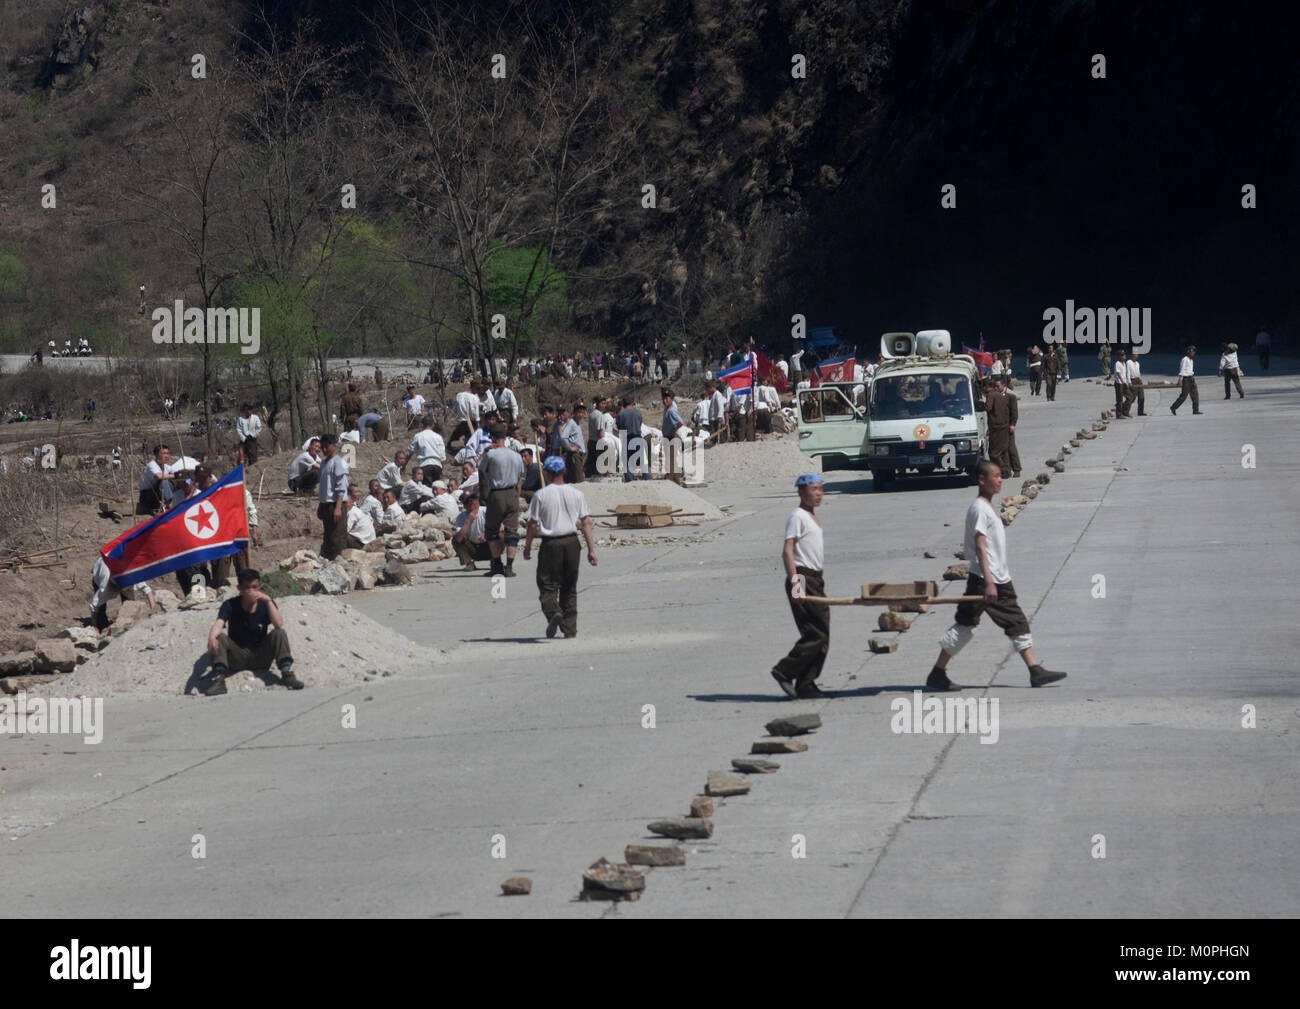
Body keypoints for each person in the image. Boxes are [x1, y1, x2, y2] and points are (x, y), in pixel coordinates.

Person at [927, 461, 1067, 691]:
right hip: (987, 579)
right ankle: (1034, 670)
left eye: (1001, 476)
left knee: (974, 623)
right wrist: (989, 582)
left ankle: (938, 673)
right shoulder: (980, 509)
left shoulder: (986, 506)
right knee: (1002, 621)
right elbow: (980, 546)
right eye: (996, 476)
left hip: (995, 577)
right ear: (982, 480)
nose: (1000, 480)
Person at [522, 456, 597, 638]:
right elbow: (586, 523)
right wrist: (591, 550)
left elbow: (533, 524)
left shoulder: (541, 495)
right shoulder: (577, 494)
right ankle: (570, 629)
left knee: (547, 584)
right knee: (569, 586)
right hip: (572, 543)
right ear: (564, 471)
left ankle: (553, 612)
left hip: (551, 544)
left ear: (546, 473)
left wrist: (527, 546)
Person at [770, 473, 830, 699]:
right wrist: (796, 582)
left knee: (822, 633)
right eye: (814, 489)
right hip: (803, 576)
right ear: (801, 492)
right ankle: (784, 670)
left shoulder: (811, 516)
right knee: (815, 633)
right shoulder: (798, 516)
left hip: (815, 577)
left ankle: (806, 683)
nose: (818, 494)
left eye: (820, 489)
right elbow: (788, 550)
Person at [203, 569, 301, 696]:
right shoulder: (230, 605)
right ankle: (219, 679)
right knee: (219, 637)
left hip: (260, 655)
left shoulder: (265, 604)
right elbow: (219, 623)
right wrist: (212, 636)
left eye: (255, 587)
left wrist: (268, 600)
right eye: (247, 588)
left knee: (279, 633)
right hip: (237, 656)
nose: (251, 591)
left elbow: (278, 624)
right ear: (239, 588)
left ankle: (286, 674)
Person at [480, 427, 524, 577]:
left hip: (496, 494)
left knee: (492, 531)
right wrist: (517, 494)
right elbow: (520, 477)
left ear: (492, 438)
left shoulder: (491, 455)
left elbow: (481, 470)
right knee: (512, 531)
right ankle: (510, 566)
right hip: (512, 493)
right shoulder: (516, 456)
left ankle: (497, 564)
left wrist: (484, 452)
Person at [89, 556, 155, 632]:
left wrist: (152, 612)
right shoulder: (104, 584)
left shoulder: (130, 573)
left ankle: (128, 624)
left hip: (118, 569)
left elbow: (147, 590)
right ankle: (102, 627)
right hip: (101, 572)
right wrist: (94, 626)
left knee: (130, 602)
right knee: (101, 608)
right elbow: (94, 606)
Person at [317, 433, 350, 560]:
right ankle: (328, 561)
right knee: (328, 535)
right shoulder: (324, 464)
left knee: (338, 536)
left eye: (327, 447)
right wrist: (321, 505)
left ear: (334, 446)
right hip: (326, 504)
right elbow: (324, 487)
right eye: (322, 447)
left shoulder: (338, 462)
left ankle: (340, 562)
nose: (324, 450)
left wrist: (338, 507)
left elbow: (341, 486)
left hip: (336, 504)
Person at [451, 494, 492, 570]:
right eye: (470, 505)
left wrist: (487, 534)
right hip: (473, 548)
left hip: (489, 546)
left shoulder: (486, 511)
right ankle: (469, 563)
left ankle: (495, 561)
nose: (473, 508)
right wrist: (468, 522)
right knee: (456, 539)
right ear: (465, 506)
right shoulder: (461, 517)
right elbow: (458, 538)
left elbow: (501, 526)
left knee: (500, 535)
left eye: (475, 505)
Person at [984, 379, 1014, 474]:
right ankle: (1007, 470)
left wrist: (981, 404)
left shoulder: (991, 395)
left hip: (997, 427)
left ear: (986, 387)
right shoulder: (999, 395)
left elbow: (988, 408)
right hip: (1003, 425)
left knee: (994, 453)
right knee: (1003, 451)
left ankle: (1003, 470)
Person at [616, 395, 647, 481]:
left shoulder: (620, 414)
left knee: (627, 463)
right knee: (643, 462)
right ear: (632, 403)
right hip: (638, 438)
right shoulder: (638, 413)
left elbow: (619, 427)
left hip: (627, 439)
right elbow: (640, 424)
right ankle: (648, 479)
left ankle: (630, 481)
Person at [407, 415, 446, 483]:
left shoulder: (418, 436)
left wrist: (404, 465)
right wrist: (442, 469)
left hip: (425, 465)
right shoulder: (438, 437)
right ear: (433, 425)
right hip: (437, 465)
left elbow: (410, 451)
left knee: (427, 488)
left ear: (422, 425)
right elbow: (442, 455)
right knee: (436, 487)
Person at [136, 445, 172, 515]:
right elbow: (159, 476)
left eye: (168, 453)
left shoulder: (167, 467)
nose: (167, 456)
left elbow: (179, 475)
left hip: (159, 494)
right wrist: (175, 475)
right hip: (148, 496)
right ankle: (170, 504)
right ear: (156, 455)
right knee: (163, 481)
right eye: (164, 453)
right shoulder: (152, 465)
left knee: (179, 481)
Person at [1170, 345, 1201, 415]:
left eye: (1194, 352)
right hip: (1186, 379)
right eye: (1192, 352)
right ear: (1189, 352)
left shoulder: (1191, 360)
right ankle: (1173, 407)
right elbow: (1182, 369)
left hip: (1191, 378)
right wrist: (1180, 380)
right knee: (1184, 396)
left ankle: (1195, 410)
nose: (1193, 353)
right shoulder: (1185, 359)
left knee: (1195, 394)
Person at [560, 403, 586, 483]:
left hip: (580, 454)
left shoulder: (577, 424)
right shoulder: (571, 423)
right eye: (579, 412)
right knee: (579, 479)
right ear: (574, 412)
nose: (581, 415)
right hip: (575, 455)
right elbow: (563, 437)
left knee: (576, 478)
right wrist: (570, 448)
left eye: (582, 412)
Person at [1113, 348, 1133, 418]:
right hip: (1119, 383)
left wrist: (1127, 382)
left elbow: (1125, 374)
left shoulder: (1124, 363)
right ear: (1119, 356)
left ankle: (1125, 411)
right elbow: (1118, 374)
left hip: (1124, 383)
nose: (1124, 356)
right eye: (1122, 355)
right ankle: (1119, 414)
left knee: (1130, 397)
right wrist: (1123, 382)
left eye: (1124, 354)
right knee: (1119, 399)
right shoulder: (1117, 363)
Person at [1127, 350, 1146, 416]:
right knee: (1132, 398)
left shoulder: (1138, 363)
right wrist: (1129, 382)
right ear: (1132, 355)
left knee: (1142, 397)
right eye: (1135, 354)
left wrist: (1140, 380)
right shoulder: (1129, 362)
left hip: (1138, 380)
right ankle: (1125, 410)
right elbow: (1128, 372)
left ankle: (1140, 412)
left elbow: (1138, 373)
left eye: (1137, 354)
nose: (1136, 355)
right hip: (1133, 380)